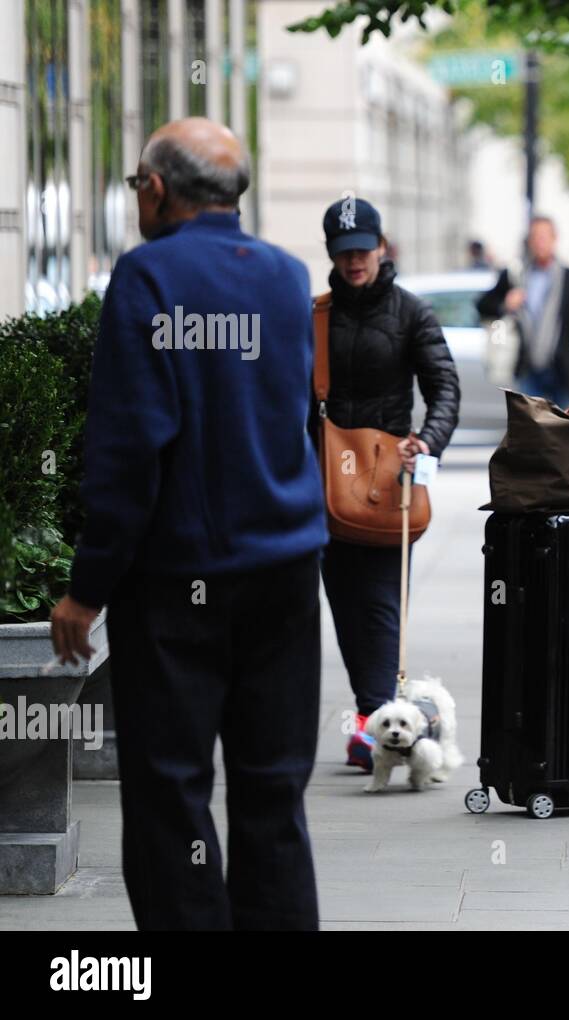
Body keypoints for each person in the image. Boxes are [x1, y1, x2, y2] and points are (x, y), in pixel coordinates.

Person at [48, 117, 328, 929]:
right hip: (284, 571)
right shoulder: (284, 277)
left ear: (159, 189)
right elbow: (293, 420)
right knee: (274, 790)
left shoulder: (146, 278)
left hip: (179, 583)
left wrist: (88, 589)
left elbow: (132, 448)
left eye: (138, 182)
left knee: (171, 794)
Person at [316, 196, 460, 771]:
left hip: (384, 482)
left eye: (363, 249)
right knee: (343, 604)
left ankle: (377, 720)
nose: (354, 261)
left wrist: (429, 441)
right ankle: (370, 718)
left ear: (382, 247)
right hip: (325, 481)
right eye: (343, 251)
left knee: (377, 602)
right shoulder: (316, 316)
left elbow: (443, 386)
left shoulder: (412, 313)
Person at [475, 216, 569, 408]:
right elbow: (483, 305)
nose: (540, 242)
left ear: (554, 239)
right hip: (527, 368)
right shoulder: (516, 275)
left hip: (562, 370)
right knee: (531, 431)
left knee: (563, 431)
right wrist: (506, 303)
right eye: (535, 237)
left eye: (544, 236)